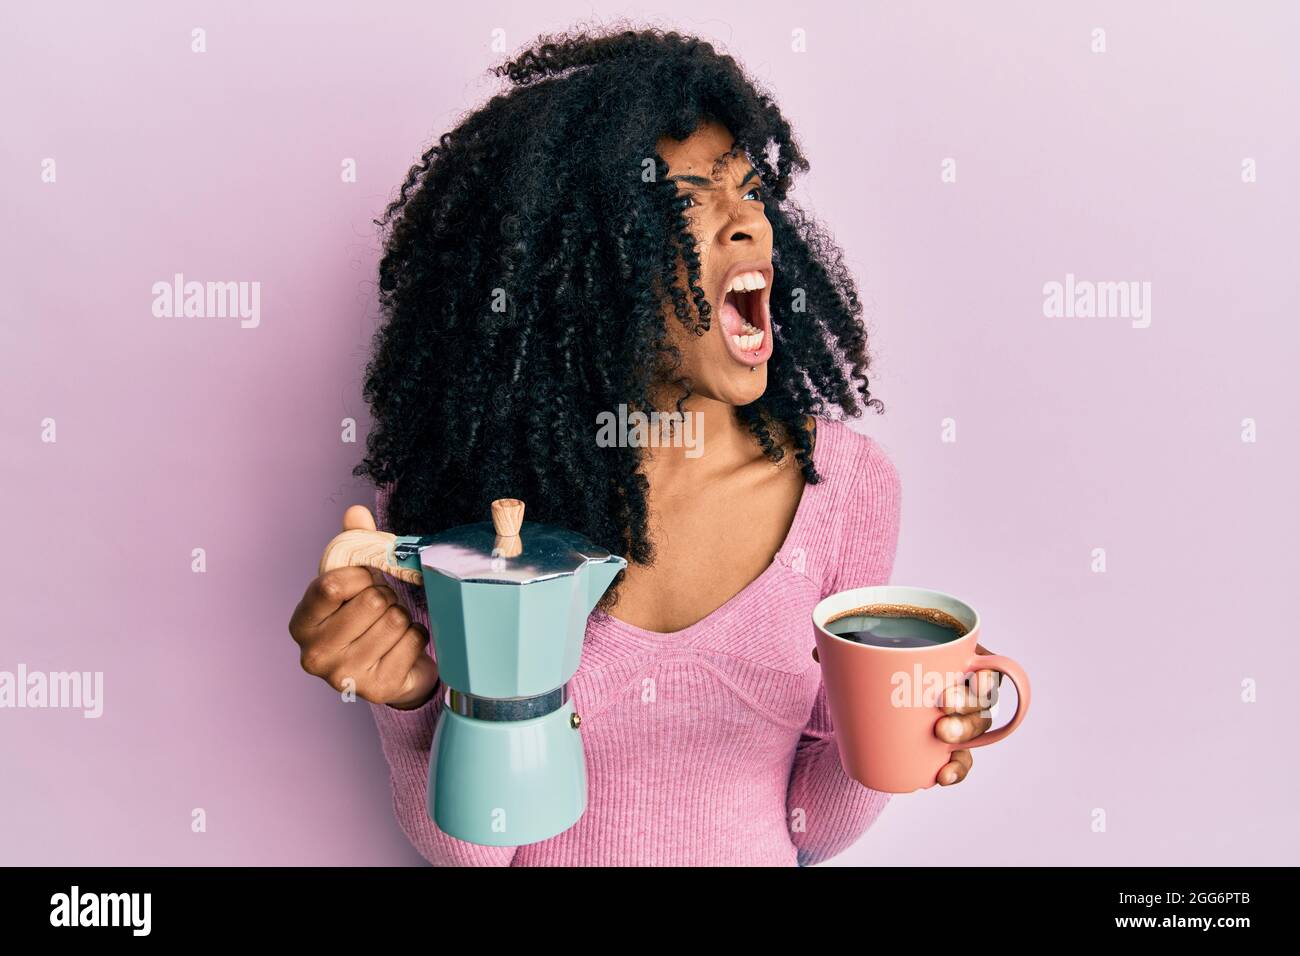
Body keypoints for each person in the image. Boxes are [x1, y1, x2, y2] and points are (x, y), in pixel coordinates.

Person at [288, 27, 1000, 866]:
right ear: (581, 263)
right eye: (688, 202)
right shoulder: (458, 506)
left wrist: (894, 739)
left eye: (751, 189)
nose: (747, 227)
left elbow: (808, 825)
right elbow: (478, 853)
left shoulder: (843, 489)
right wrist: (410, 704)